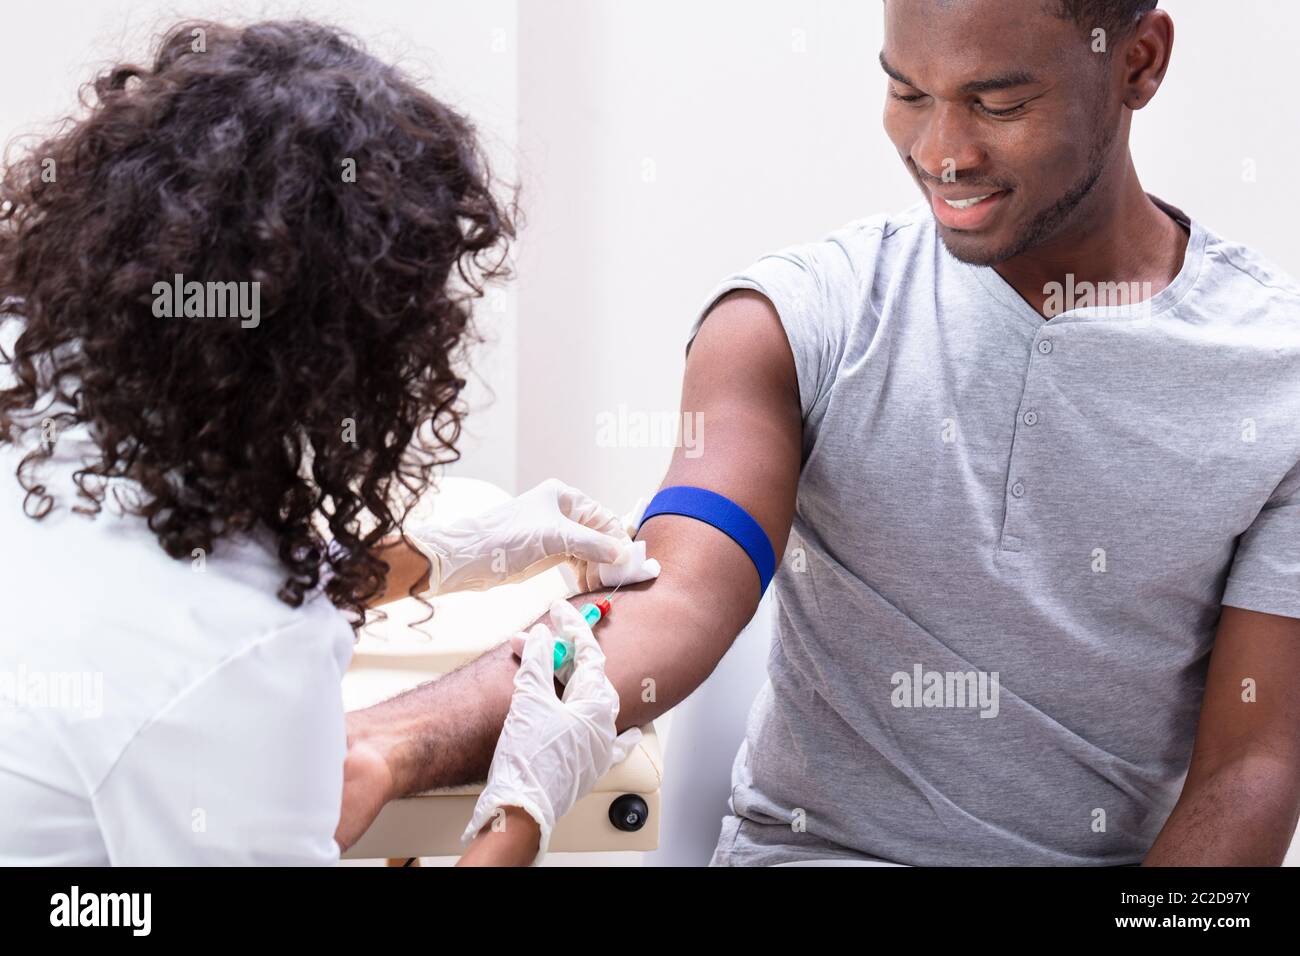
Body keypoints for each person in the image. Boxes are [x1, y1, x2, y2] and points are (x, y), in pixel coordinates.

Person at [338, 0, 1300, 866]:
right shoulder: (793, 322)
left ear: (1139, 60)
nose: (941, 150)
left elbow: (1250, 771)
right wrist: (389, 744)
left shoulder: (1275, 384)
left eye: (998, 104)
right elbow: (671, 604)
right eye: (906, 91)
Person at [0, 19, 648, 866]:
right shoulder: (236, 656)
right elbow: (203, 644)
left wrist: (425, 557)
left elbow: (147, 557)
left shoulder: (31, 359)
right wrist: (524, 809)